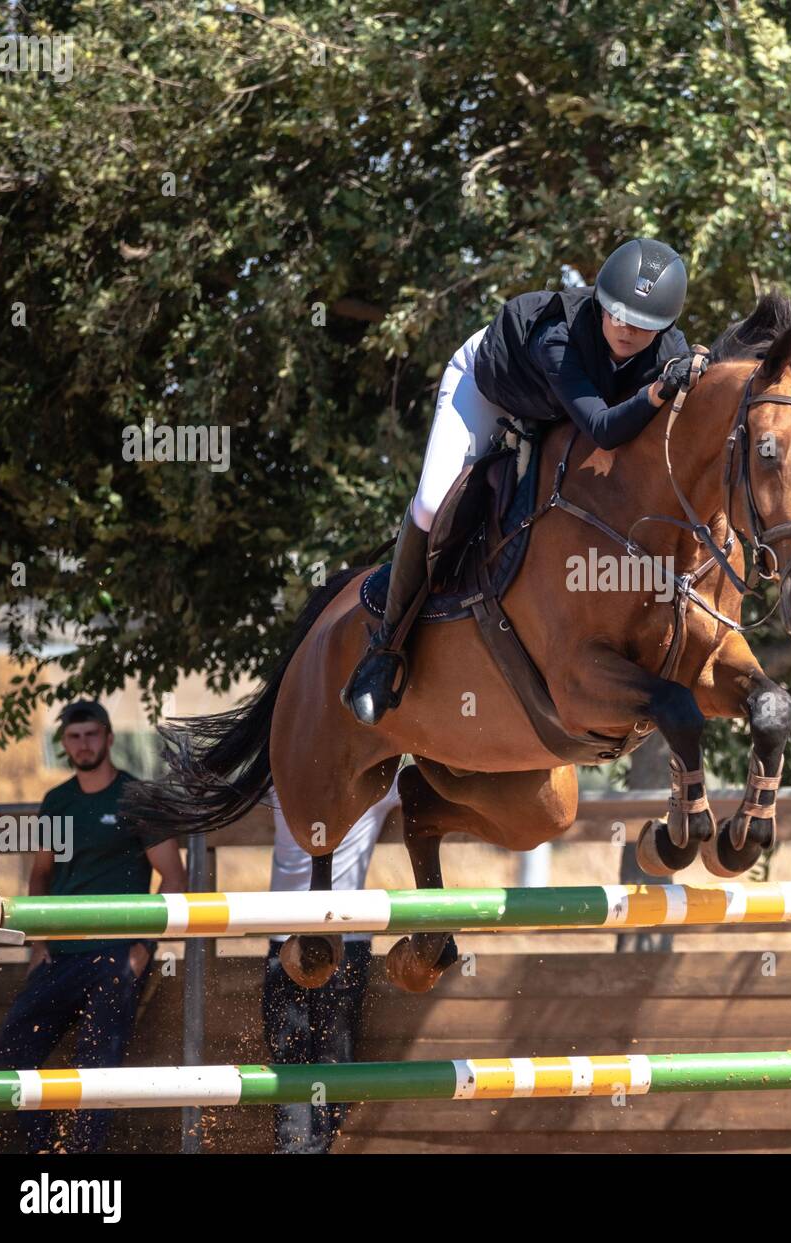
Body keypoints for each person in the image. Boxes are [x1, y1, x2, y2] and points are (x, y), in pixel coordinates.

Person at [343, 236, 699, 726]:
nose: (622, 327)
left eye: (640, 323)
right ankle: (383, 651)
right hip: (490, 387)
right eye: (614, 311)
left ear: (663, 327)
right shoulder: (559, 336)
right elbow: (602, 428)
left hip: (559, 410)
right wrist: (659, 391)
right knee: (430, 504)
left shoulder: (669, 350)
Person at [0, 700, 188, 1154]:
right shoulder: (57, 801)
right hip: (59, 953)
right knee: (13, 1051)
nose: (83, 744)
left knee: (97, 1066)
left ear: (108, 737)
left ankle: (82, 1160)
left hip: (116, 955)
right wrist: (38, 942)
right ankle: (44, 1154)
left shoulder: (138, 797)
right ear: (65, 744)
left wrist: (141, 948)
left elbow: (175, 877)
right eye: (74, 737)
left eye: (91, 734)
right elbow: (40, 874)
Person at [261, 785, 397, 1154]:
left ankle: (299, 1148)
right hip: (343, 940)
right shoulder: (375, 787)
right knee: (333, 1056)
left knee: (292, 1056)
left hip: (288, 938)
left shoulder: (284, 781)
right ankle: (315, 1146)